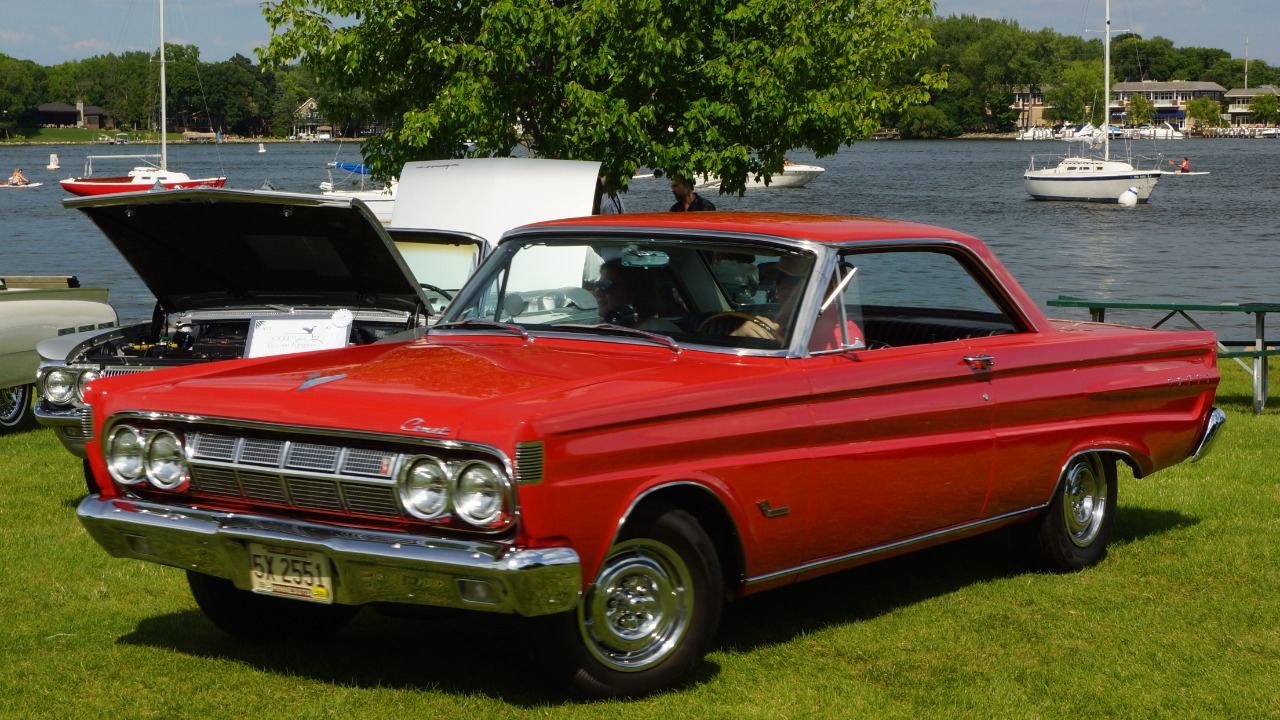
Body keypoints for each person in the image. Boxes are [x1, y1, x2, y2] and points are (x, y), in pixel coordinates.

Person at [593, 259, 680, 333]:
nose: (598, 292)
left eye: (606, 285)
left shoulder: (662, 332)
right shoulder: (588, 326)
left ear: (634, 291)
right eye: (598, 285)